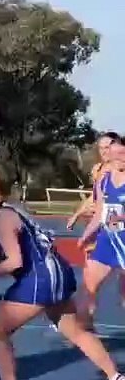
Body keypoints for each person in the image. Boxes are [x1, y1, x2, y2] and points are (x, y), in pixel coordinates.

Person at [0, 162, 125, 380]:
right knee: (77, 332)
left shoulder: (1, 216)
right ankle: (118, 379)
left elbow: (14, 260)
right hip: (58, 271)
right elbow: (2, 251)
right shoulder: (14, 209)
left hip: (39, 278)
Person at [77, 136, 125, 330]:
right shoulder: (103, 181)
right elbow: (99, 213)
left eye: (123, 153)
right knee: (87, 287)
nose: (120, 157)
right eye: (117, 154)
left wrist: (121, 218)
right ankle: (85, 331)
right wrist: (86, 234)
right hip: (106, 241)